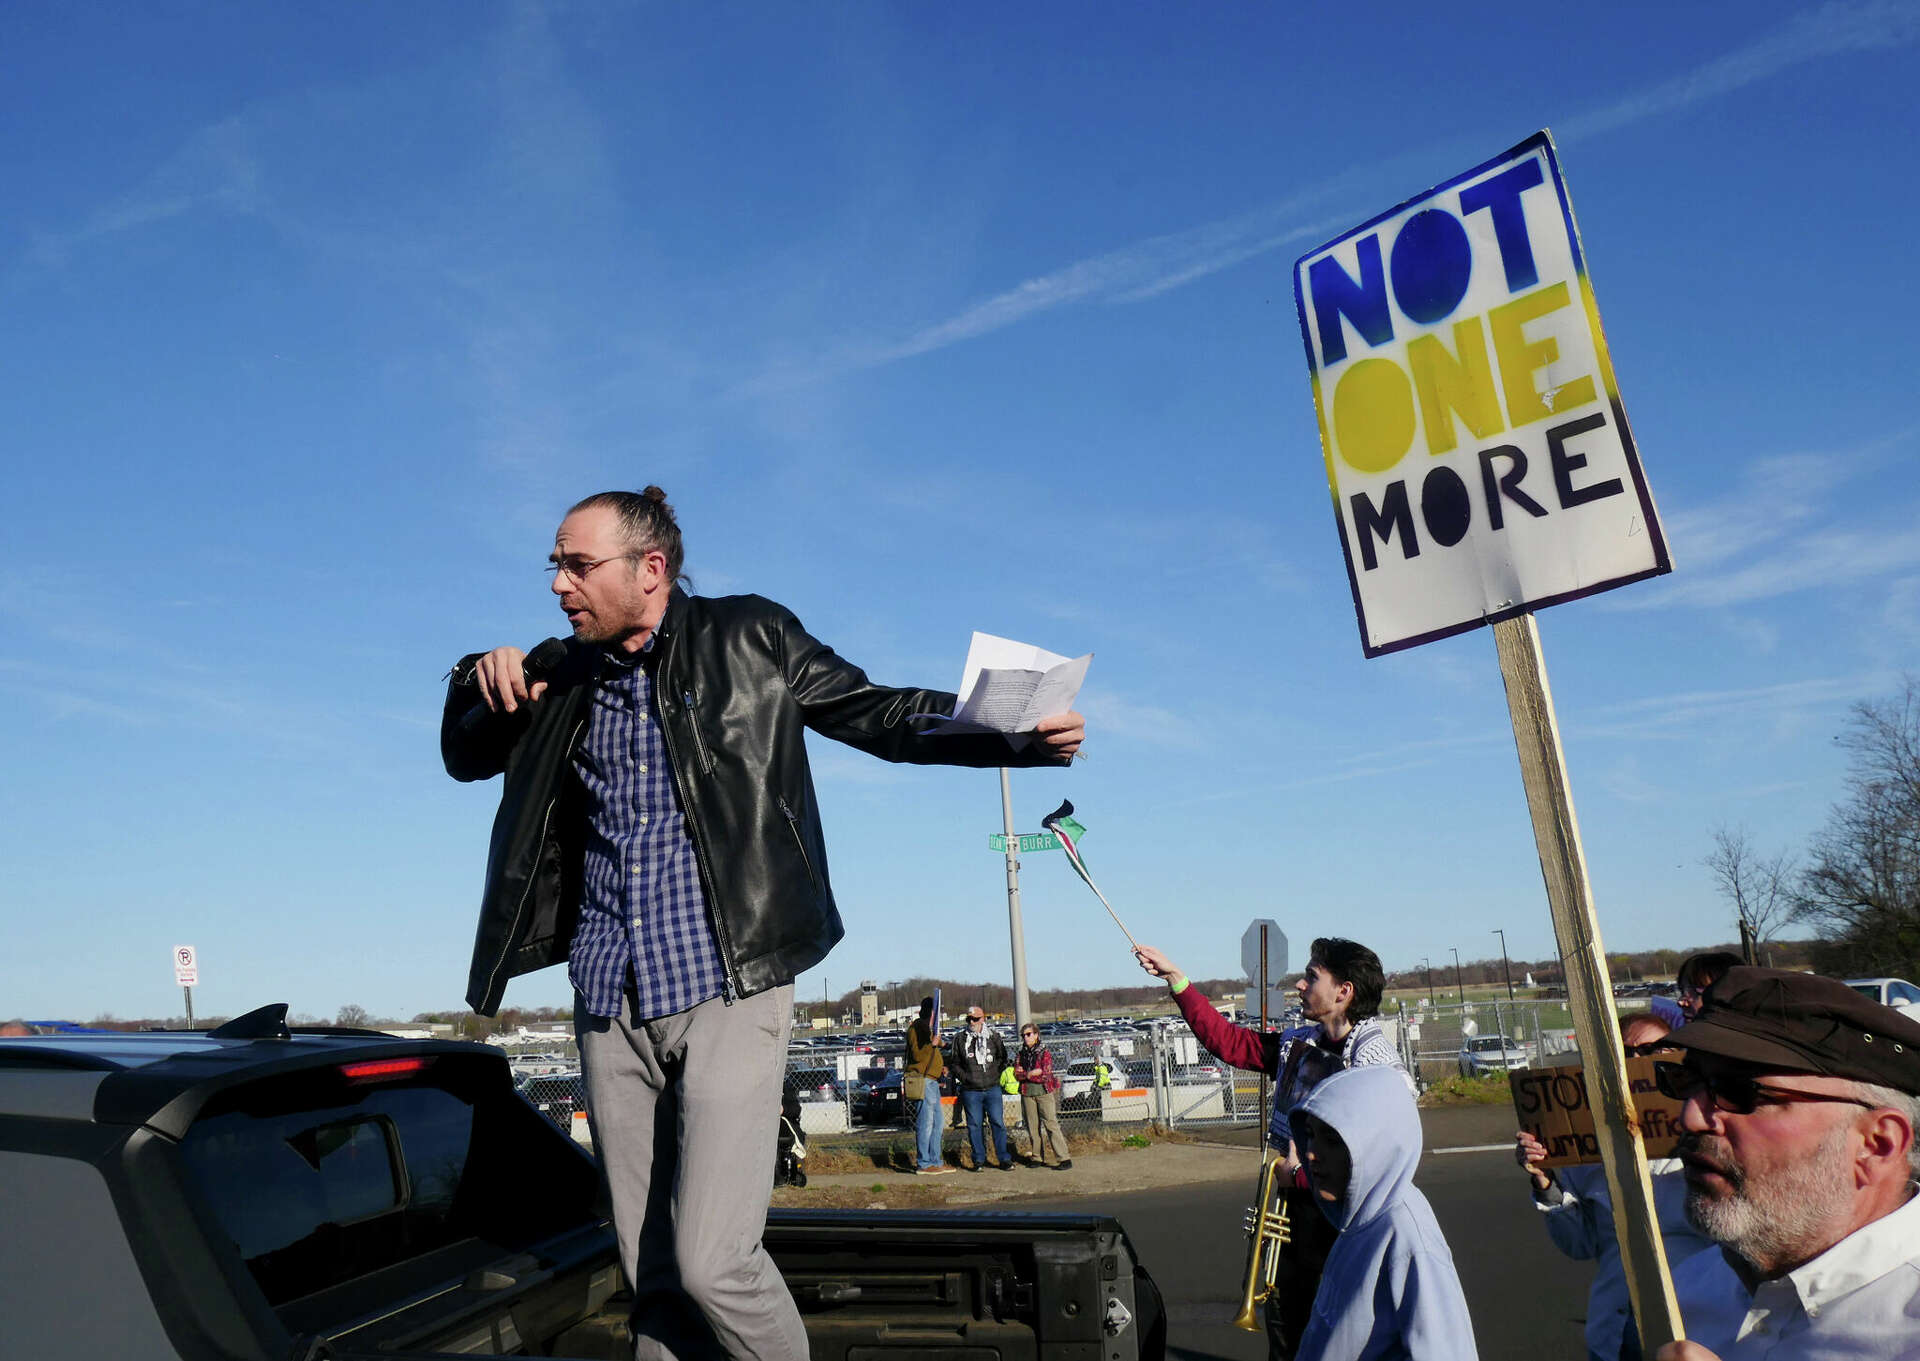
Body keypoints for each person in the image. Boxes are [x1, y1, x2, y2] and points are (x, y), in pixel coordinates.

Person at [441, 488, 1083, 1360]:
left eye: (578, 564)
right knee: (652, 1272)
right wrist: (481, 677)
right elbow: (465, 754)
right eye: (554, 565)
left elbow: (878, 712)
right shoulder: (561, 673)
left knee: (713, 1262)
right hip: (608, 997)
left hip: (729, 981)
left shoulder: (750, 636)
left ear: (651, 569)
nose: (559, 584)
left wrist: (1006, 732)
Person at [1135, 938, 1408, 1360]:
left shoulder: (1376, 1064)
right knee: (1286, 1338)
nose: (1300, 984)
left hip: (1344, 1231)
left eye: (1312, 976)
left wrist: (1299, 1175)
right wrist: (1177, 979)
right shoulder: (1297, 1043)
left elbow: (1385, 1155)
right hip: (1295, 1223)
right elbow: (1227, 1042)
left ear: (1344, 991)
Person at [1648, 967, 1920, 1361]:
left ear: (1877, 1144)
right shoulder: (1682, 1295)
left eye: (1739, 1091)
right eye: (1687, 1082)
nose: (1690, 1116)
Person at [1515, 1012, 1715, 1361]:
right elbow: (1581, 1244)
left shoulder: (1709, 1132)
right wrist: (1544, 1180)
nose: (1638, 1061)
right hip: (1616, 1331)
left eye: (1654, 1050)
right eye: (1625, 1053)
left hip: (1703, 1330)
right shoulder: (1590, 1148)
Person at [1292, 1064, 1478, 1361]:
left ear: (1373, 1141)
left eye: (1331, 1140)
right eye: (1310, 1135)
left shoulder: (1406, 1235)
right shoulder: (1357, 1218)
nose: (1312, 1153)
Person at [946, 1007, 1014, 1171]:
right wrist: (966, 1078)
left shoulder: (993, 1037)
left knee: (997, 1122)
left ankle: (1004, 1158)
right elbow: (954, 1062)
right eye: (969, 1019)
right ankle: (978, 1160)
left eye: (975, 1019)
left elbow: (1003, 1058)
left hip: (992, 1088)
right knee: (974, 1125)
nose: (972, 1022)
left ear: (983, 1019)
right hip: (971, 1091)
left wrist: (995, 1075)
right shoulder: (960, 1039)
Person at [904, 996, 952, 1175]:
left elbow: (932, 1052)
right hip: (922, 1079)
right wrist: (932, 1044)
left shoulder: (929, 1029)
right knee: (927, 1122)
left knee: (938, 1122)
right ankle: (924, 1163)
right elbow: (918, 1054)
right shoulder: (917, 1028)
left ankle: (936, 1160)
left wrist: (941, 1064)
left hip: (931, 1079)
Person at [1014, 1022, 1072, 1170]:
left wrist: (1027, 1073)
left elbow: (1045, 1074)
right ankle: (1037, 1157)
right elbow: (1016, 1074)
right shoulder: (1021, 1053)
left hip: (1044, 1093)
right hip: (1027, 1093)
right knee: (1032, 1127)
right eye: (1023, 1035)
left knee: (1051, 1124)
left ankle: (1064, 1158)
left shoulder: (1044, 1052)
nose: (1026, 1038)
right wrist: (1030, 1073)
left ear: (1036, 1035)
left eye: (1029, 1034)